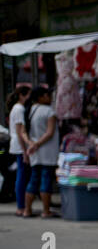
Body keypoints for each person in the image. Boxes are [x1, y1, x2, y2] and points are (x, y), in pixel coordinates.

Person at [22, 86, 58, 218]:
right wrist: (37, 144)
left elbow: (24, 132)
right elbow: (50, 133)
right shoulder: (49, 112)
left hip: (34, 152)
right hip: (47, 151)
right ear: (41, 97)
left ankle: (27, 210)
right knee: (46, 179)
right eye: (47, 95)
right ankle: (46, 211)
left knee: (33, 179)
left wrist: (32, 144)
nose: (49, 98)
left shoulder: (30, 111)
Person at [7, 84, 31, 212]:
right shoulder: (19, 109)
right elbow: (20, 131)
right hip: (19, 145)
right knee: (22, 175)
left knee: (21, 174)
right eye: (28, 95)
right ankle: (21, 206)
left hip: (17, 144)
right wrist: (25, 152)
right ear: (22, 95)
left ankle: (21, 205)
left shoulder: (16, 108)